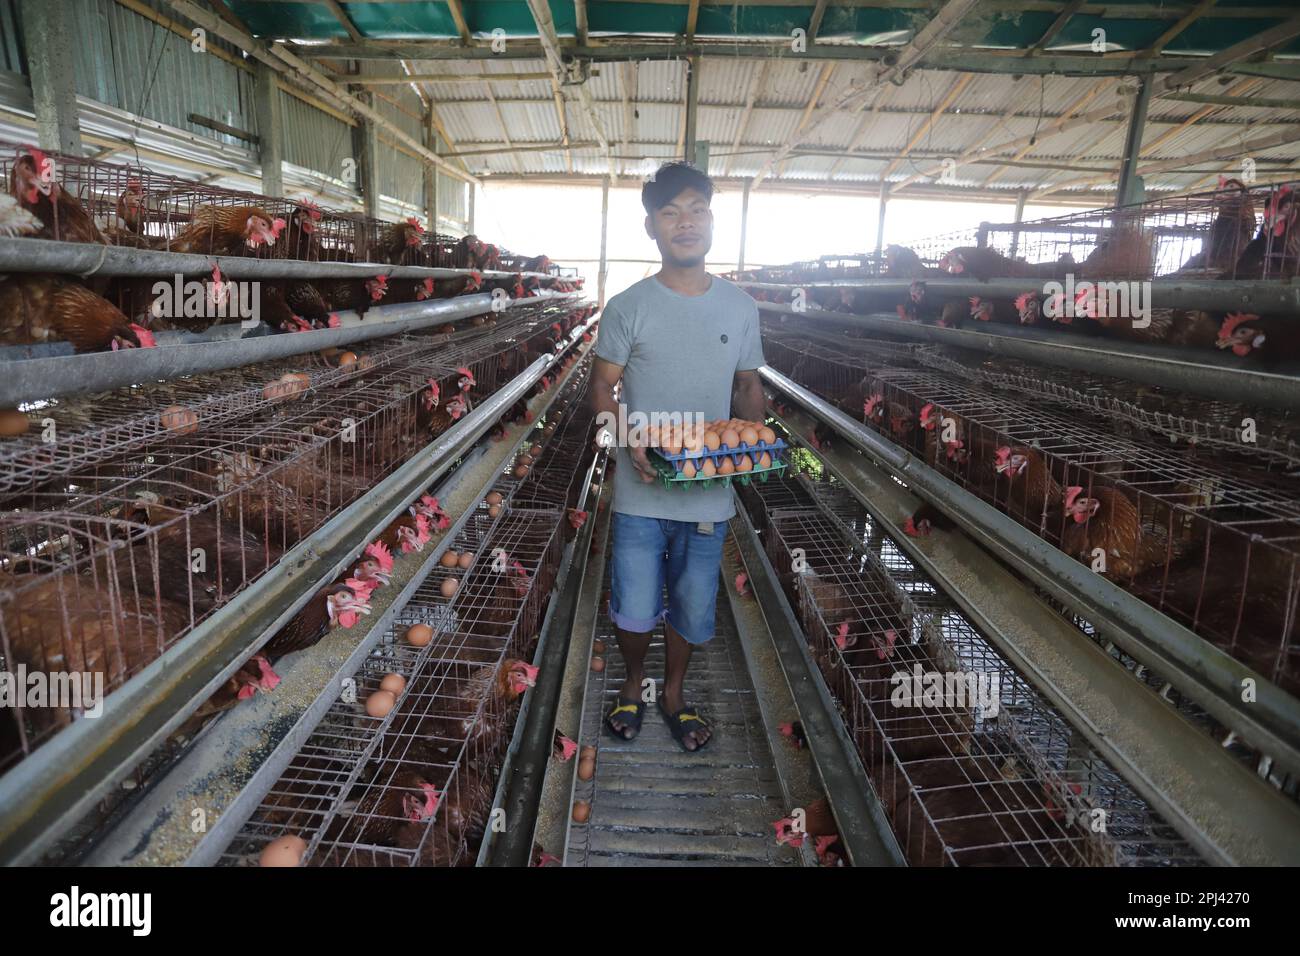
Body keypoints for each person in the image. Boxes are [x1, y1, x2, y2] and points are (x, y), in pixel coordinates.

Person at [589, 162, 765, 752]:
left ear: (712, 221)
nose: (685, 222)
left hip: (708, 494)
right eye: (671, 212)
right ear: (652, 228)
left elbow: (747, 388)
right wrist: (625, 436)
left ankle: (674, 692)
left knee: (693, 606)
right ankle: (634, 683)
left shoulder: (740, 308)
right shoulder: (628, 306)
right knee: (634, 608)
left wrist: (753, 442)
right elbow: (601, 389)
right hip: (640, 494)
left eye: (696, 210)